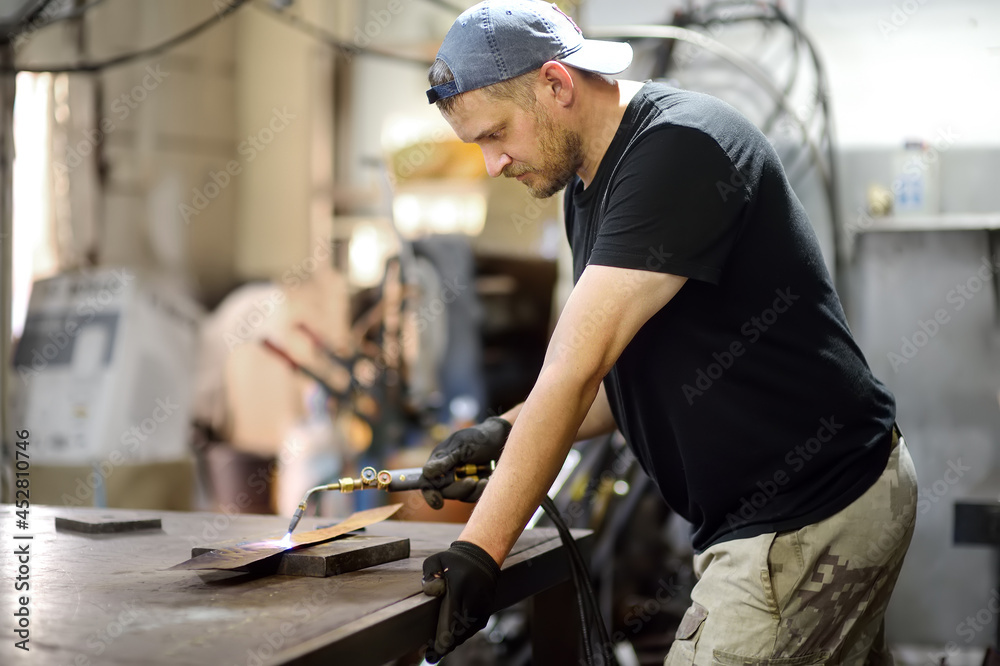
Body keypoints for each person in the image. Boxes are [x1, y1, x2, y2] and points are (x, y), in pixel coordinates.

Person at [416, 1, 918, 664]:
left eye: (494, 133)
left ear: (556, 84)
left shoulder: (679, 149)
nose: (491, 164)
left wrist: (479, 552)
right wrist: (503, 433)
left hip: (809, 514)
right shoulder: (590, 187)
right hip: (788, 512)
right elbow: (626, 372)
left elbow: (575, 371)